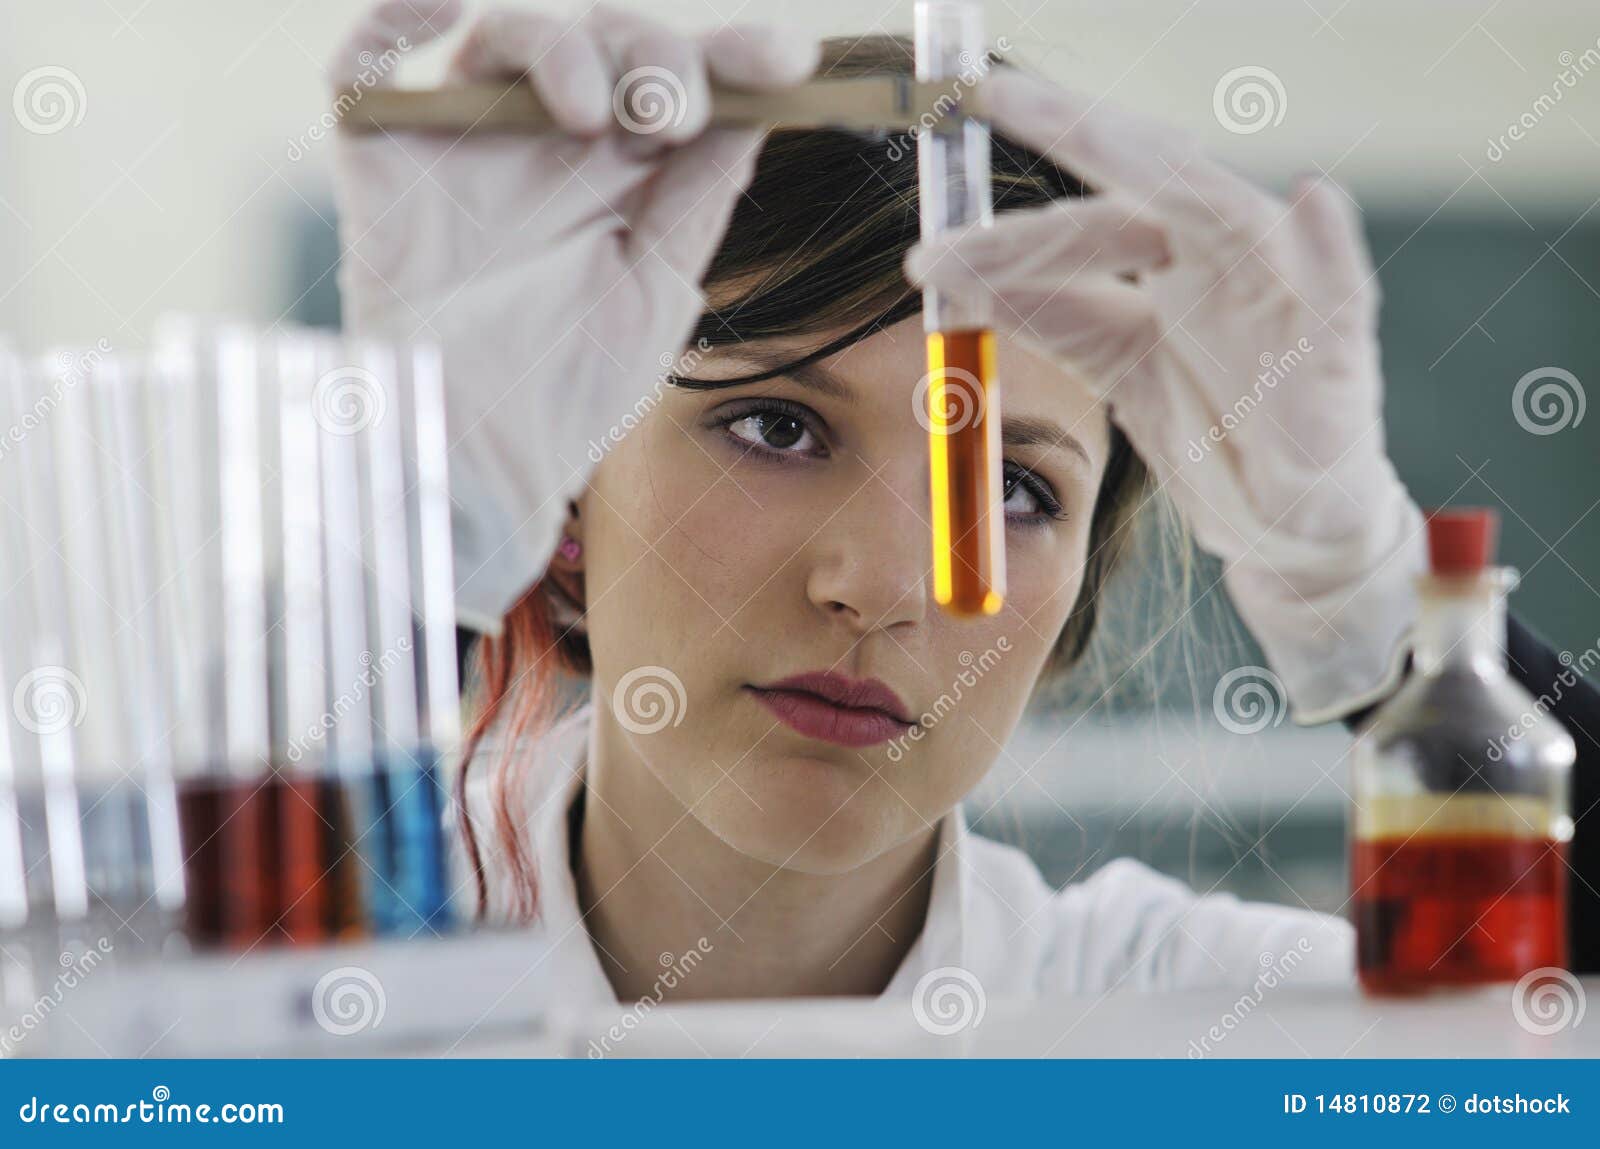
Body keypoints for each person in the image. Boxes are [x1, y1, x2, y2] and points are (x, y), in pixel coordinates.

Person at [329, 1, 1597, 1003]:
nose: (882, 589)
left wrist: (1374, 608)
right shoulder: (328, 955)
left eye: (1013, 487)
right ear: (568, 497)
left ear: (1072, 604)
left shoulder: (1185, 1020)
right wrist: (423, 544)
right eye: (776, 427)